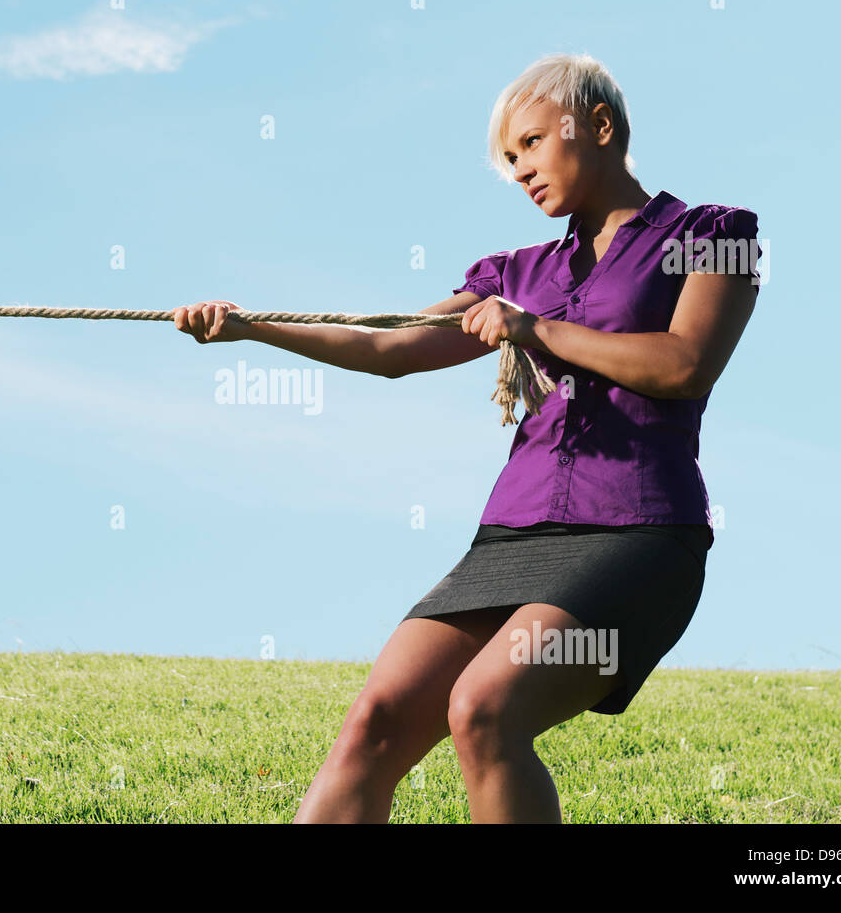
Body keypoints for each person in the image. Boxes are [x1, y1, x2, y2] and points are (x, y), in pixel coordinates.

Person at [173, 52, 761, 823]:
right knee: (374, 722)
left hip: (640, 533)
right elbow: (391, 347)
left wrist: (538, 329)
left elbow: (685, 364)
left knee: (486, 705)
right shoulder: (514, 272)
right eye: (508, 160)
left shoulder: (713, 236)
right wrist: (253, 328)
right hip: (512, 534)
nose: (519, 170)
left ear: (600, 126)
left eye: (530, 145)